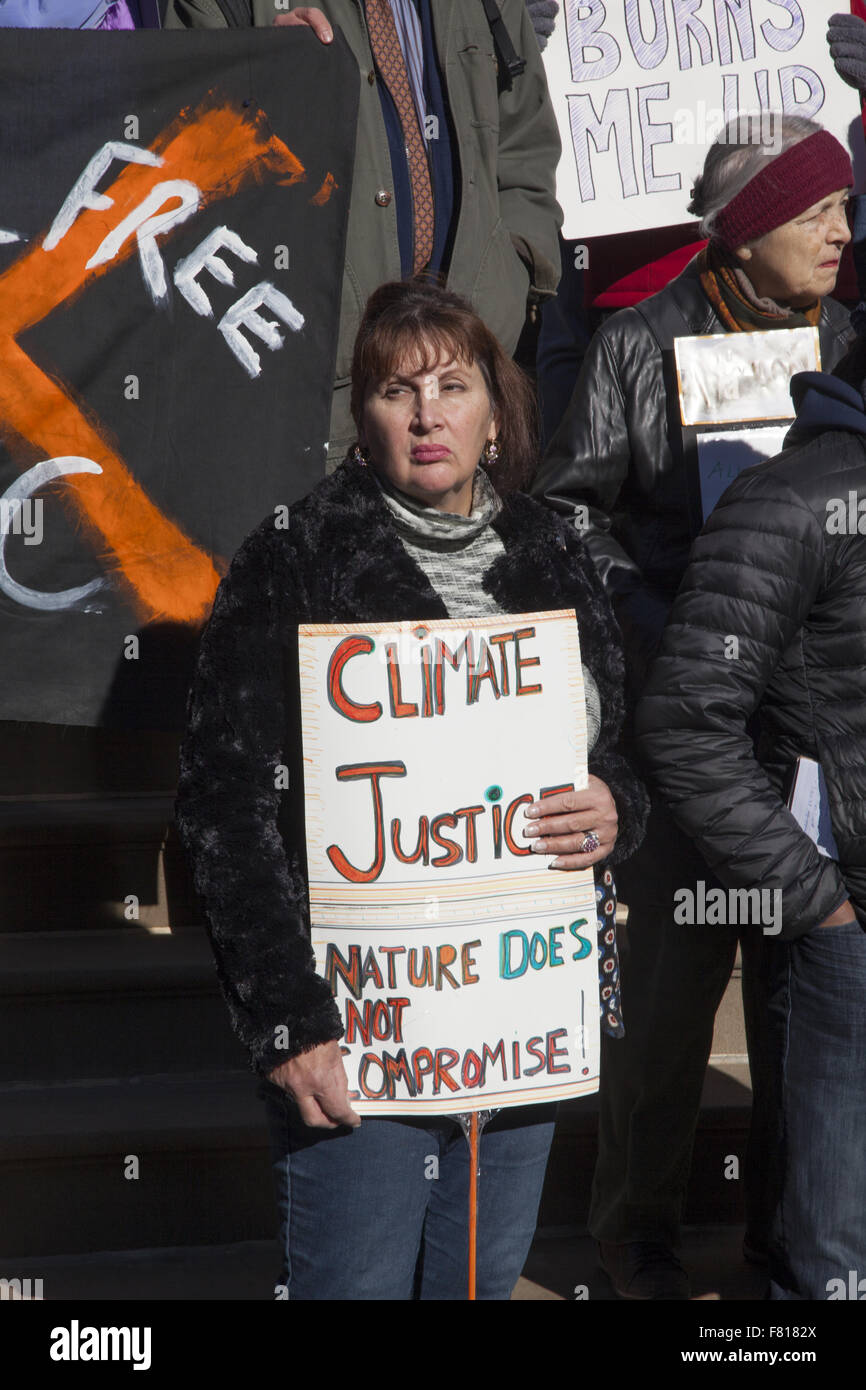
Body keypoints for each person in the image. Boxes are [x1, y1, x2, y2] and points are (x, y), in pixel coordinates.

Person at [174, 277, 647, 1300]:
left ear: (493, 409)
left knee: (479, 1282)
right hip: (361, 1032)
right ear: (364, 415)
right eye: (397, 391)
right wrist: (290, 1025)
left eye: (452, 385)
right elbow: (225, 810)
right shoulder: (293, 558)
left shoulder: (557, 552)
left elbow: (619, 747)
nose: (426, 414)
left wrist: (615, 804)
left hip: (519, 1017)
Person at [531, 115, 855, 1299]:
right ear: (748, 228)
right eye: (815, 210)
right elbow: (566, 517)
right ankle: (637, 1236)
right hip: (682, 732)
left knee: (803, 1015)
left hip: (813, 745)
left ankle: (784, 1240)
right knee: (665, 1008)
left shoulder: (848, 341)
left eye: (841, 207)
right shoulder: (634, 343)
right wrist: (671, 626)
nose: (838, 230)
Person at [634, 346, 866, 1300]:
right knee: (830, 1258)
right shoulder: (791, 500)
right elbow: (687, 720)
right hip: (839, 925)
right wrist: (817, 901)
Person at [165, 0, 563, 466]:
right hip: (315, 413)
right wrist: (258, 75)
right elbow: (177, 181)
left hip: (468, 387)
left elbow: (524, 148)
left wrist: (507, 284)